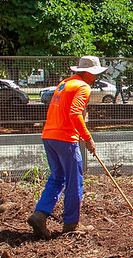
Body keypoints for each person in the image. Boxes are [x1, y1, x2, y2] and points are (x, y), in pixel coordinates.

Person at [27, 55, 107, 239]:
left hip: (49, 136)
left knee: (57, 178)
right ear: (87, 73)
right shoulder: (83, 87)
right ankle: (71, 224)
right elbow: (74, 113)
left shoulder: (65, 84)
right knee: (74, 181)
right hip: (65, 139)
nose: (96, 78)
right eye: (95, 74)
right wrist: (87, 138)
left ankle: (40, 214)